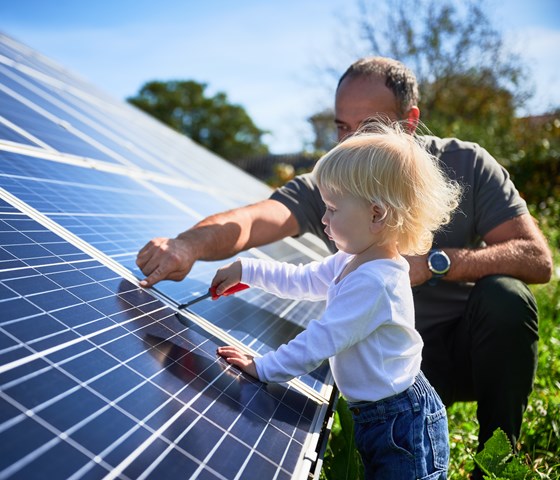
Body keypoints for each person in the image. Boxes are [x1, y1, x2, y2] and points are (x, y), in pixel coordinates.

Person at [136, 57, 553, 466]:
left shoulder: (460, 167)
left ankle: (498, 460)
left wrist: (435, 262)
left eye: (367, 126)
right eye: (341, 127)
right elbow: (273, 243)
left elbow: (537, 259)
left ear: (408, 121)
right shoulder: (341, 186)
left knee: (507, 298)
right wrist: (192, 247)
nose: (350, 140)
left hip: (425, 381)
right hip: (380, 371)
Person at [214, 124, 460, 479]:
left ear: (377, 215)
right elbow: (302, 280)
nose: (324, 220)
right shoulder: (350, 259)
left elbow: (322, 339)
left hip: (401, 423)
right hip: (379, 415)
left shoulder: (376, 282)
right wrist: (247, 270)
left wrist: (264, 368)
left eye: (332, 208)